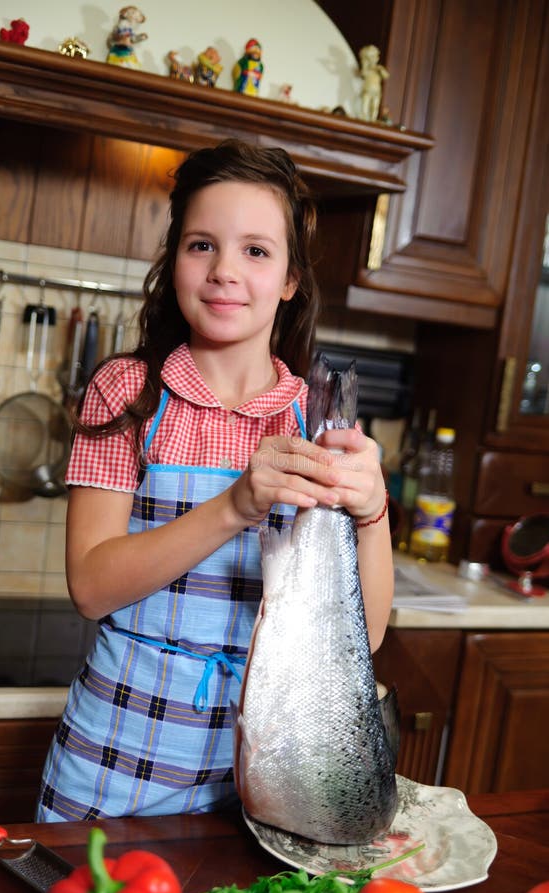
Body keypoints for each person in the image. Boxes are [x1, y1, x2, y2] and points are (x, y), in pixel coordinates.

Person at [36, 139, 394, 823]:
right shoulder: (127, 392)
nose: (224, 271)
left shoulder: (315, 420)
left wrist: (374, 516)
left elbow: (364, 637)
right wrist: (235, 505)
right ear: (173, 260)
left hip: (259, 783)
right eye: (202, 245)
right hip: (112, 767)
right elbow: (90, 586)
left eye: (256, 251)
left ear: (290, 279)